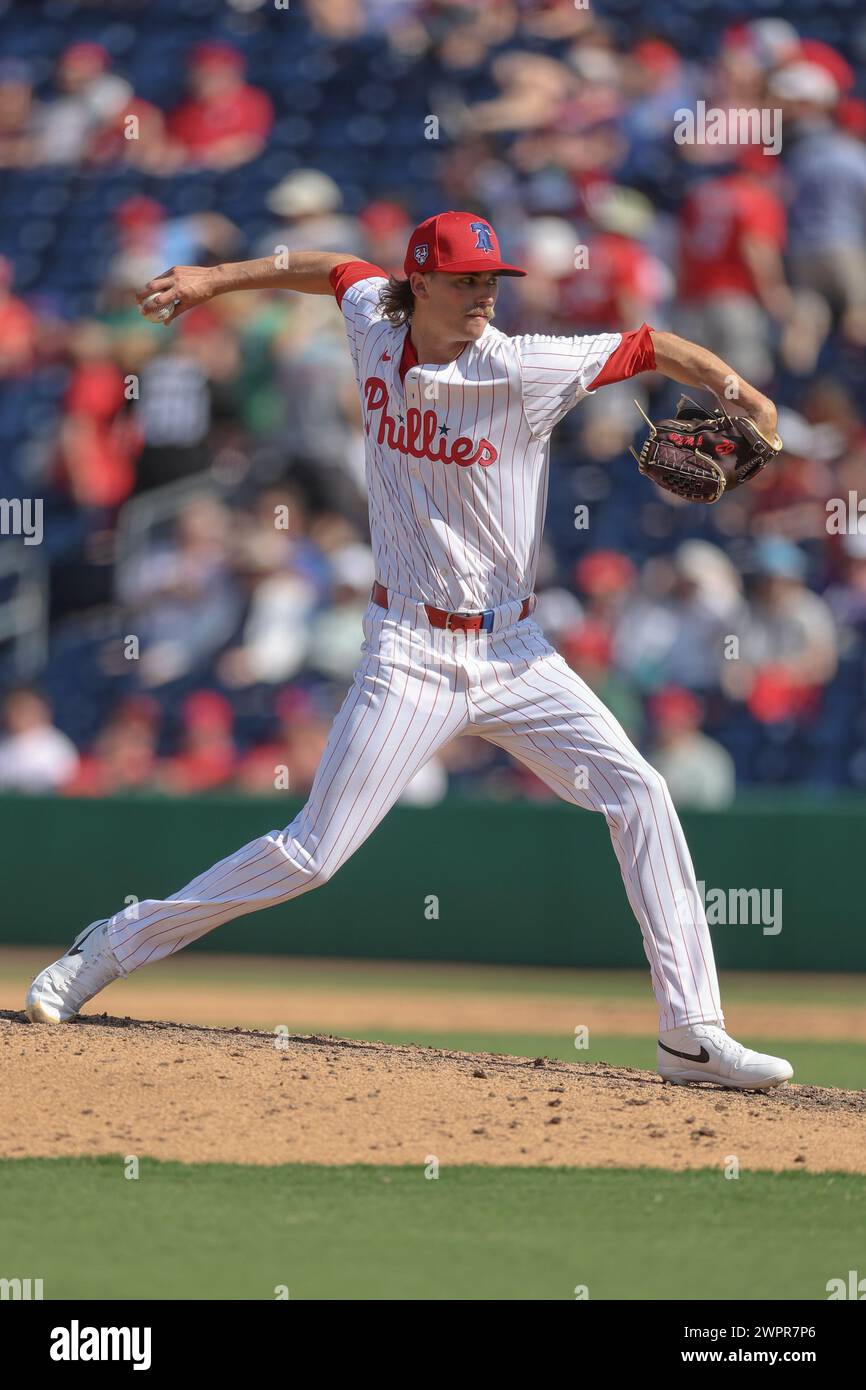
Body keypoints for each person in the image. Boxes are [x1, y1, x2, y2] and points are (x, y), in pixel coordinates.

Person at [26, 210, 793, 1091]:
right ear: (420, 283)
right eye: (467, 280)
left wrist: (744, 395)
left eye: (492, 281)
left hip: (516, 651)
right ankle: (109, 946)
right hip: (409, 649)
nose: (483, 296)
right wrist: (211, 279)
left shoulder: (521, 364)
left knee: (642, 793)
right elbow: (332, 266)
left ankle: (691, 1033)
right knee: (312, 854)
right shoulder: (374, 322)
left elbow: (650, 343)